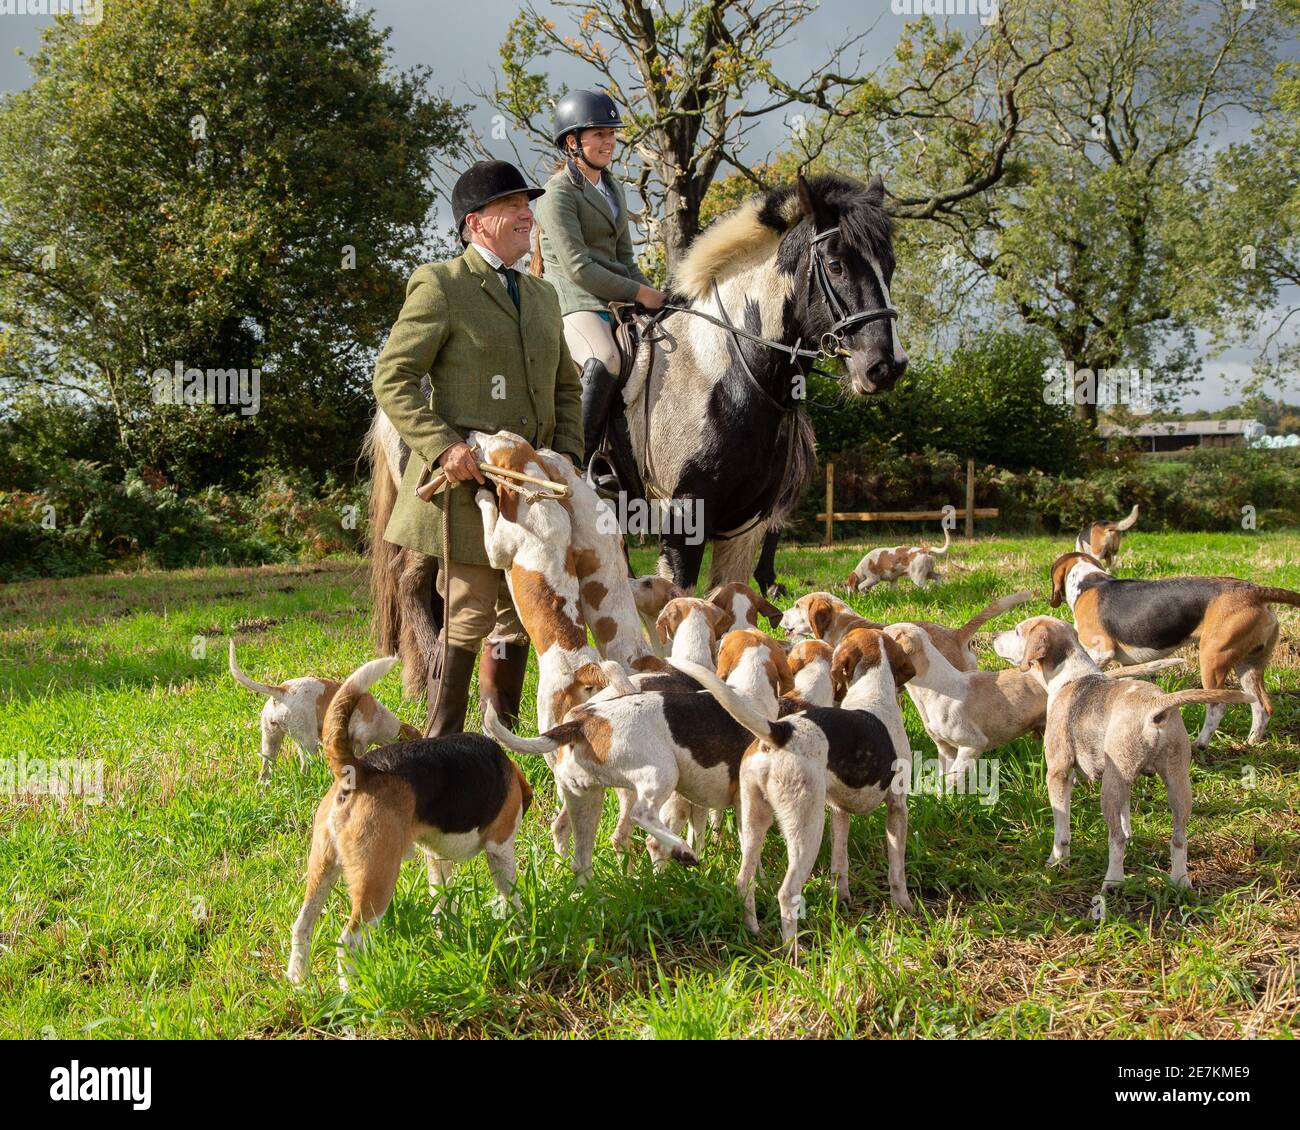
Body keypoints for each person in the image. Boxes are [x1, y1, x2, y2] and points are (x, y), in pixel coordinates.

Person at [373, 160, 584, 736]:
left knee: (522, 611)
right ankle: (443, 742)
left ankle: (502, 737)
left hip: (533, 489)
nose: (526, 214)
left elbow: (568, 384)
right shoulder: (441, 285)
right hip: (470, 487)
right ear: (475, 223)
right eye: (511, 206)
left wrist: (564, 455)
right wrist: (443, 448)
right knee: (467, 614)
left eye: (528, 204)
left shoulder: (543, 296)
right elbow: (391, 377)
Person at [534, 89, 667, 492]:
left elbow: (626, 257)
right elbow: (578, 268)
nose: (609, 142)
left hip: (617, 298)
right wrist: (639, 294)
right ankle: (583, 464)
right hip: (575, 301)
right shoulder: (556, 194)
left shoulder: (612, 187)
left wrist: (654, 292)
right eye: (599, 135)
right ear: (573, 142)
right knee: (606, 357)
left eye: (612, 134)